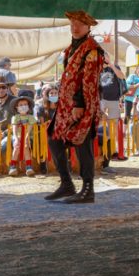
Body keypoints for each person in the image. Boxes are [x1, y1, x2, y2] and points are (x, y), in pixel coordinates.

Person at [46, 10, 105, 204]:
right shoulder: (71, 48)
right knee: (54, 137)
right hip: (66, 105)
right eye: (72, 24)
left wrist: (79, 103)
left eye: (79, 24)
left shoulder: (92, 49)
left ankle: (88, 189)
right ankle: (66, 184)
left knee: (82, 143)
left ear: (88, 27)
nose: (75, 27)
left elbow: (89, 79)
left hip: (82, 105)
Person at [99, 59, 127, 168]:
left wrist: (111, 64)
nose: (104, 59)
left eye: (105, 57)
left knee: (114, 126)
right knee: (99, 123)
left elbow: (122, 76)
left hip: (114, 100)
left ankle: (113, 150)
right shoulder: (96, 67)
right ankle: (102, 149)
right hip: (101, 99)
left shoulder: (114, 67)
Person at [8, 95, 38, 177]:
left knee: (25, 146)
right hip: (17, 136)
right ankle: (12, 167)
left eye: (25, 104)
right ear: (16, 107)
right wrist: (16, 139)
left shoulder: (31, 117)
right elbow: (14, 129)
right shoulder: (15, 117)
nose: (23, 106)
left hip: (28, 136)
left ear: (28, 106)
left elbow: (29, 130)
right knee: (17, 146)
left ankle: (29, 167)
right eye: (21, 105)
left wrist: (26, 138)